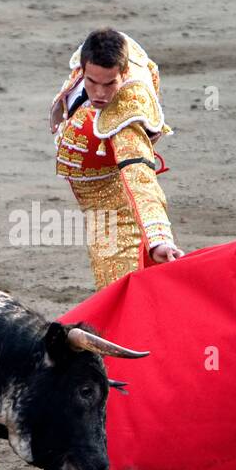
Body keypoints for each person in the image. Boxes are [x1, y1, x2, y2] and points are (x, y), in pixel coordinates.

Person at [50, 28, 185, 290]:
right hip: (99, 206)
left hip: (117, 214)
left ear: (123, 75)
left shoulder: (125, 117)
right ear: (82, 68)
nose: (99, 93)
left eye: (109, 83)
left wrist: (158, 239)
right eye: (92, 81)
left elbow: (140, 177)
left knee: (118, 296)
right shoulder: (102, 55)